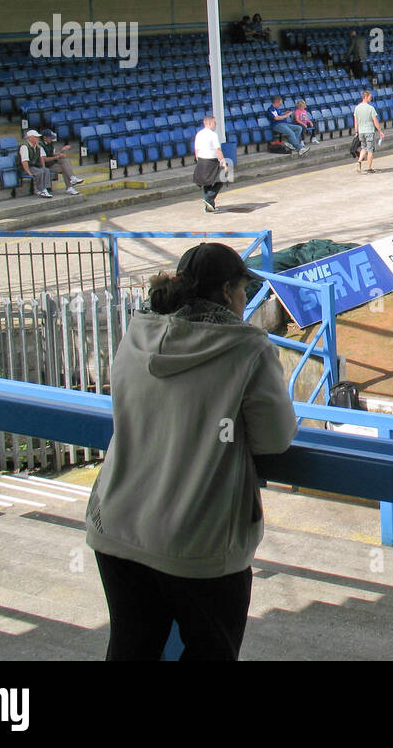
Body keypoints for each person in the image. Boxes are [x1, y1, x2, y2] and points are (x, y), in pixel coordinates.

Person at [85, 242, 298, 661]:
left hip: (116, 528)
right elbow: (275, 438)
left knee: (131, 649)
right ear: (226, 293)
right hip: (198, 546)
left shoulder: (136, 334)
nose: (245, 300)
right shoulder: (248, 349)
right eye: (242, 291)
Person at [192, 114, 228, 213]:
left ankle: (209, 206)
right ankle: (209, 198)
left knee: (206, 183)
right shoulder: (213, 135)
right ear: (210, 123)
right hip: (210, 160)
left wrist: (198, 161)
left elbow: (196, 150)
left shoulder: (199, 134)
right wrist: (223, 161)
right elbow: (217, 150)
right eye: (215, 123)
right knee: (222, 178)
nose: (216, 124)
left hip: (201, 160)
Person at [39, 129, 84, 195]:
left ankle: (71, 181)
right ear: (44, 137)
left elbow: (53, 154)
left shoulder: (50, 144)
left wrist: (61, 151)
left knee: (65, 160)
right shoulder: (40, 146)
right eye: (50, 138)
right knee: (65, 168)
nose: (51, 139)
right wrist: (57, 157)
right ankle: (70, 184)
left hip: (52, 163)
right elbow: (44, 159)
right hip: (46, 165)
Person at [353, 89, 384, 173]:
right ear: (365, 97)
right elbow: (375, 121)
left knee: (364, 147)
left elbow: (356, 121)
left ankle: (359, 161)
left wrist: (356, 131)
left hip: (361, 131)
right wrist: (380, 131)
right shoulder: (371, 108)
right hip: (369, 131)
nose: (371, 98)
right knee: (370, 150)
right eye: (370, 97)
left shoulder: (357, 108)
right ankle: (369, 168)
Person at [19, 129, 56, 198]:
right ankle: (41, 189)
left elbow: (41, 157)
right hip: (25, 168)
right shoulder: (24, 147)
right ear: (30, 138)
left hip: (33, 166)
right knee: (39, 171)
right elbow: (24, 161)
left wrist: (43, 166)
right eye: (36, 137)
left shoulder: (37, 146)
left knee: (46, 170)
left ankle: (46, 188)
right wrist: (28, 172)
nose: (38, 138)